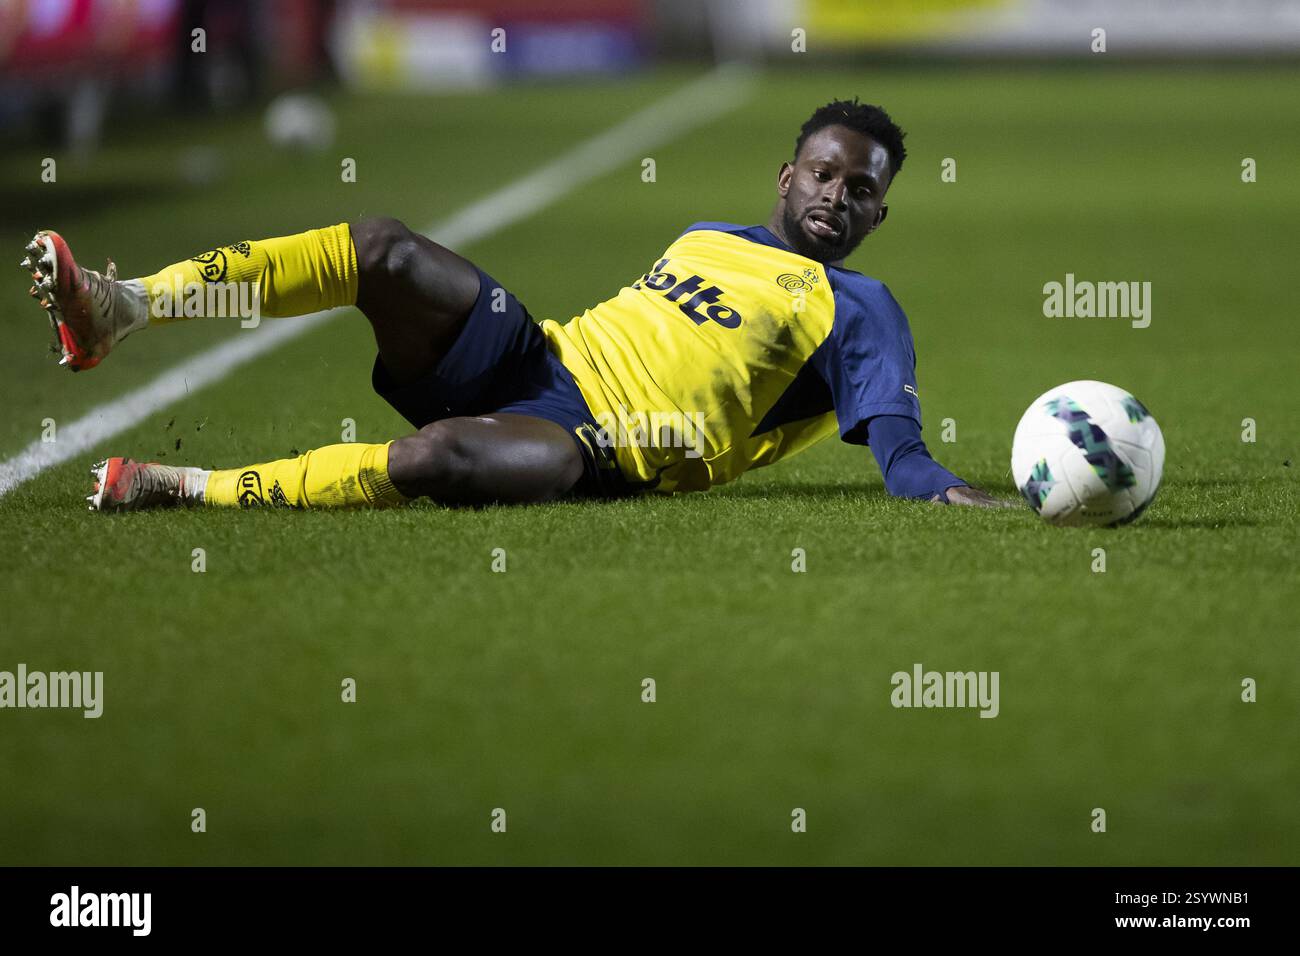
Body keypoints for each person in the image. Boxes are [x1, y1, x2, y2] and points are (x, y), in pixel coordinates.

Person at [21, 98, 1007, 512]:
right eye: (825, 175)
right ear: (787, 175)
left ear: (880, 212)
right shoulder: (709, 236)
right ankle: (122, 304)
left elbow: (899, 447)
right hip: (535, 354)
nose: (839, 195)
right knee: (383, 247)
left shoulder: (859, 307)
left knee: (437, 457)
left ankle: (173, 486)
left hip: (601, 449)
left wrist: (945, 489)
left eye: (862, 189)